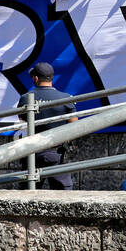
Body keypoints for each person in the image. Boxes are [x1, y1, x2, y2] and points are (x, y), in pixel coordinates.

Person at [19, 62, 77, 190]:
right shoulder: (65, 98)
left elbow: (22, 124)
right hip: (57, 152)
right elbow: (74, 125)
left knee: (28, 191)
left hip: (32, 152)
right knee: (63, 193)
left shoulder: (25, 99)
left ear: (36, 78)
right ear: (52, 78)